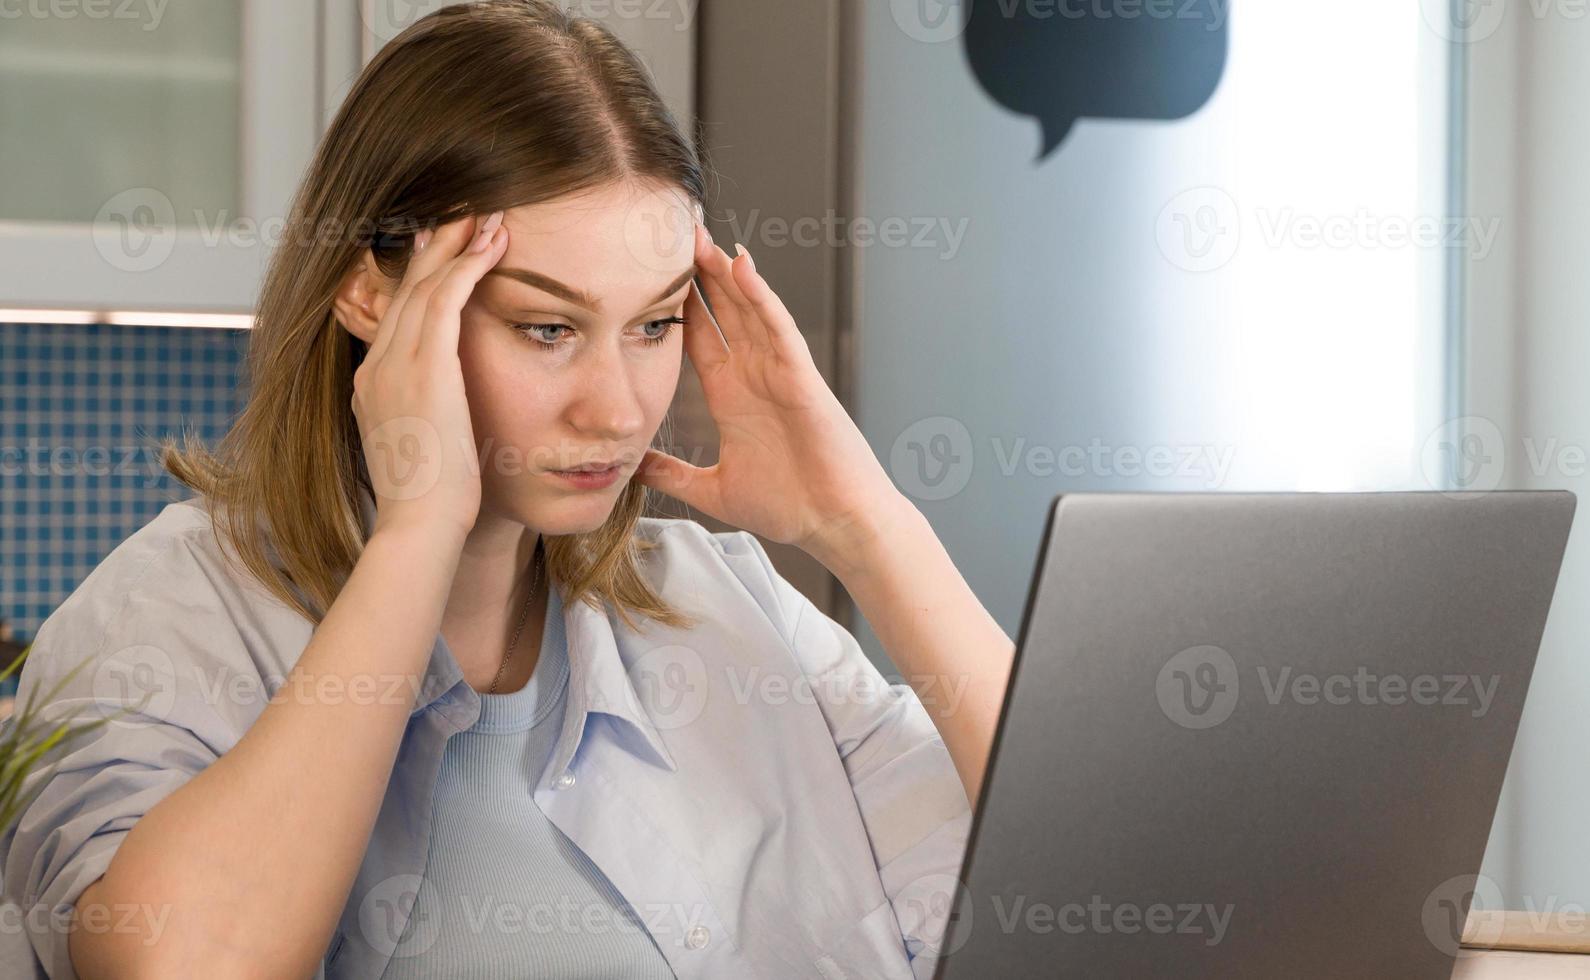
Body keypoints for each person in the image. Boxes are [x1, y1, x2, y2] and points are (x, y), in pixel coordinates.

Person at [0, 2, 1015, 977]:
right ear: (370, 292)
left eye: (655, 324)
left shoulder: (732, 604)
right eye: (547, 328)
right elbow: (186, 963)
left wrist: (872, 530)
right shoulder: (168, 612)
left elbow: (1113, 883)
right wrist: (419, 528)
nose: (618, 409)